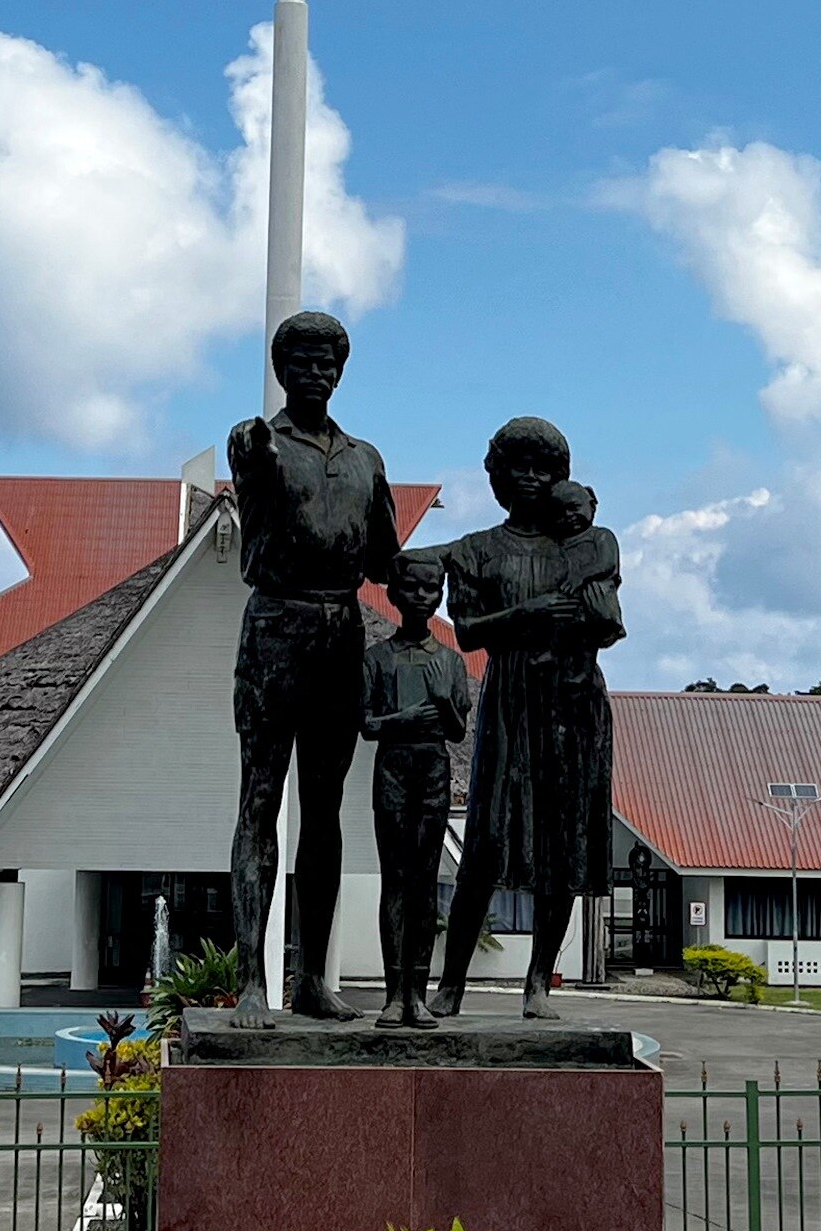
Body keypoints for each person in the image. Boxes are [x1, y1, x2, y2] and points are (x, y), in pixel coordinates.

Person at [223, 309, 400, 1020]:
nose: (316, 373)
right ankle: (251, 983)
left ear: (341, 372)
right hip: (276, 625)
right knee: (260, 801)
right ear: (282, 370)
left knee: (326, 813)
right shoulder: (261, 442)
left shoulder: (364, 459)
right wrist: (251, 455)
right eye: (302, 362)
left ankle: (310, 981)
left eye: (328, 362)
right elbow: (250, 461)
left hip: (340, 631)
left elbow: (388, 561)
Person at [423, 418, 623, 1019]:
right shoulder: (482, 549)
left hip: (573, 700)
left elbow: (607, 622)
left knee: (561, 843)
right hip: (510, 697)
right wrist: (533, 612)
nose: (532, 479)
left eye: (544, 469)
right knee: (484, 839)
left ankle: (538, 981)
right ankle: (451, 984)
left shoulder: (582, 541)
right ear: (499, 477)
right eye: (520, 468)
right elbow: (467, 632)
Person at [357, 561, 473, 1031]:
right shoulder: (377, 659)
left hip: (432, 769)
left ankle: (418, 995)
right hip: (393, 767)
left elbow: (459, 728)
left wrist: (440, 708)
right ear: (396, 595)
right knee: (395, 881)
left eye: (432, 588)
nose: (424, 596)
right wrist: (407, 719)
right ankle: (393, 993)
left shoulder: (449, 661)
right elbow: (367, 725)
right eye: (414, 587)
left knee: (425, 884)